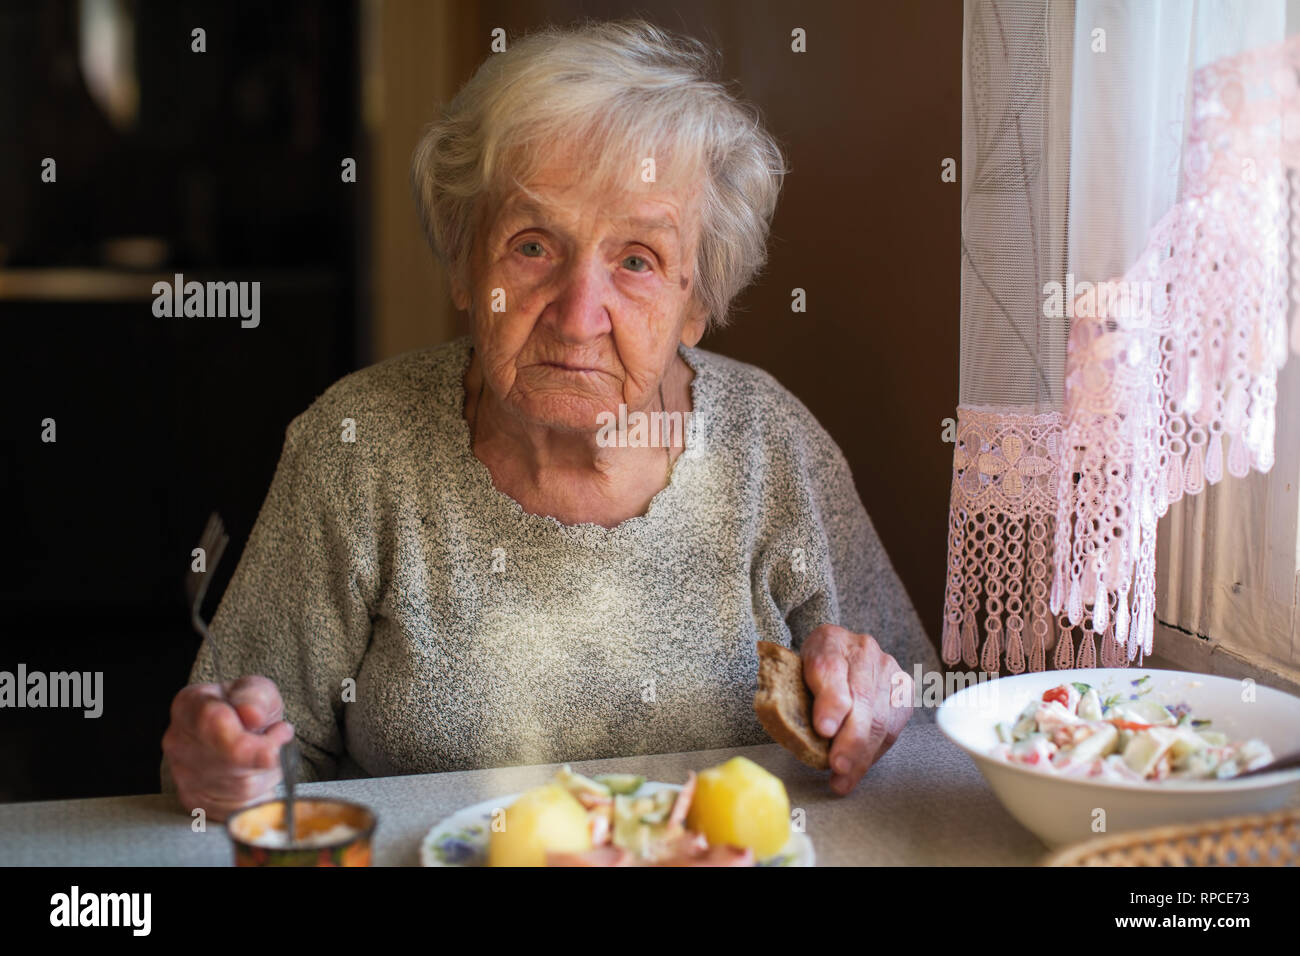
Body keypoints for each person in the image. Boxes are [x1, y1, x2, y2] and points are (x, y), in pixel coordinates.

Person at [162, 19, 940, 821]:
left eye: (636, 260)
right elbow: (254, 765)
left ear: (696, 301)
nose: (577, 316)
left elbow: (916, 734)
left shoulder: (770, 445)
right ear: (465, 264)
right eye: (533, 246)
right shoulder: (357, 447)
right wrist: (232, 771)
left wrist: (874, 705)